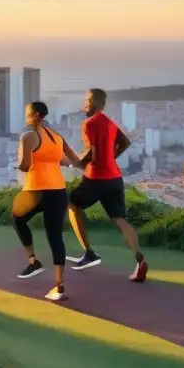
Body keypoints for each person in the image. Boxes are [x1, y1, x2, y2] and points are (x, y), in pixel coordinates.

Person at [68, 88, 148, 282]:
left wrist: (74, 162)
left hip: (96, 178)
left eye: (86, 101)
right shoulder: (109, 123)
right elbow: (125, 143)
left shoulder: (89, 123)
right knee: (119, 219)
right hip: (114, 178)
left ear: (92, 103)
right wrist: (110, 158)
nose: (83, 104)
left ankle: (89, 253)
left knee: (72, 206)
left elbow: (91, 155)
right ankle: (140, 259)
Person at [12, 101, 87, 301]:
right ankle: (59, 286)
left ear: (36, 115)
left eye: (28, 115)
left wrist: (20, 158)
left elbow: (25, 166)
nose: (26, 118)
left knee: (18, 218)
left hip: (36, 190)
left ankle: (33, 260)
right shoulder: (56, 137)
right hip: (58, 191)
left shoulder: (28, 136)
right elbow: (72, 160)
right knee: (55, 237)